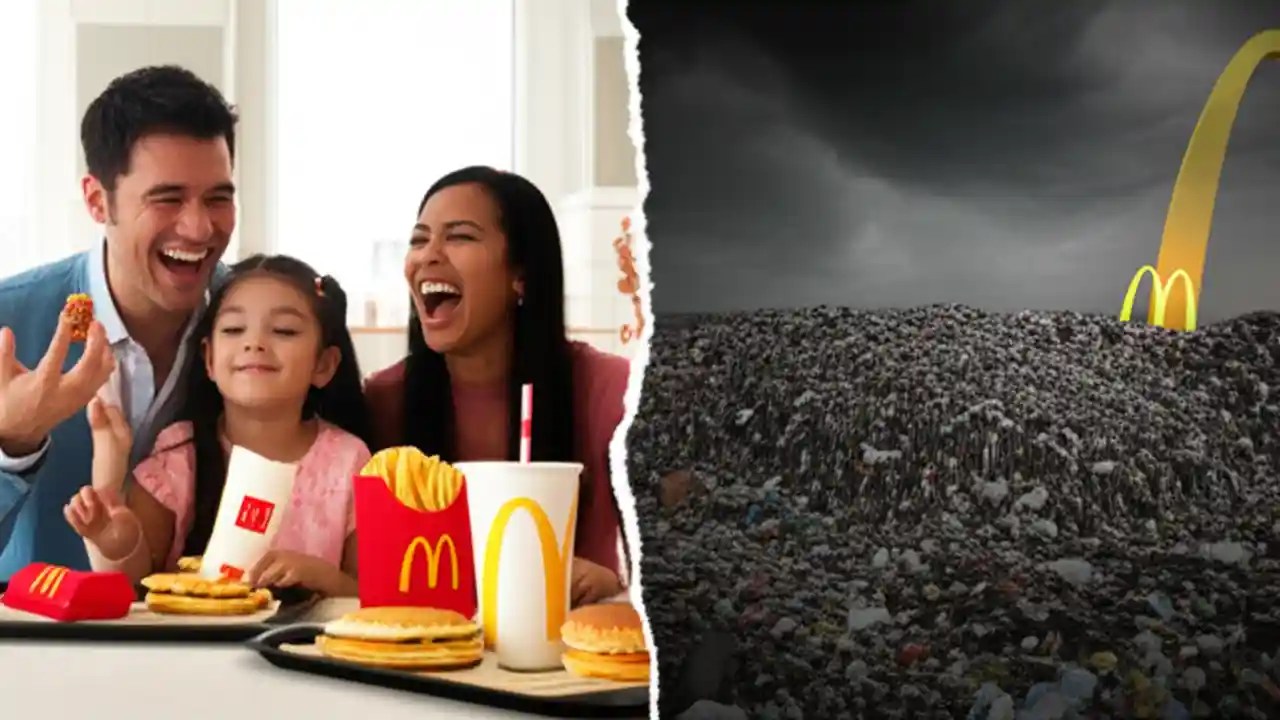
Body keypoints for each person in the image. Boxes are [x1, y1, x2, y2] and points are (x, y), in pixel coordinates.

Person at [0, 66, 237, 579]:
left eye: (219, 197)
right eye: (167, 198)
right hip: (43, 646)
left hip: (219, 643)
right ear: (96, 199)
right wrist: (10, 445)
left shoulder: (258, 320)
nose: (199, 228)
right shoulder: (8, 323)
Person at [364, 166, 632, 607]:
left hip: (574, 658)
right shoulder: (384, 401)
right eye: (418, 239)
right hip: (429, 657)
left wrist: (613, 584)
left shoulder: (610, 391)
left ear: (521, 274)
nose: (428, 255)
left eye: (460, 237)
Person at [65, 255, 373, 597]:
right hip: (194, 650)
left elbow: (372, 598)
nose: (254, 343)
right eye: (233, 329)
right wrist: (115, 543)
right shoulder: (179, 453)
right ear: (209, 358)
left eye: (284, 331)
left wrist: (321, 578)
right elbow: (135, 585)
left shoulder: (349, 461)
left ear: (324, 364)